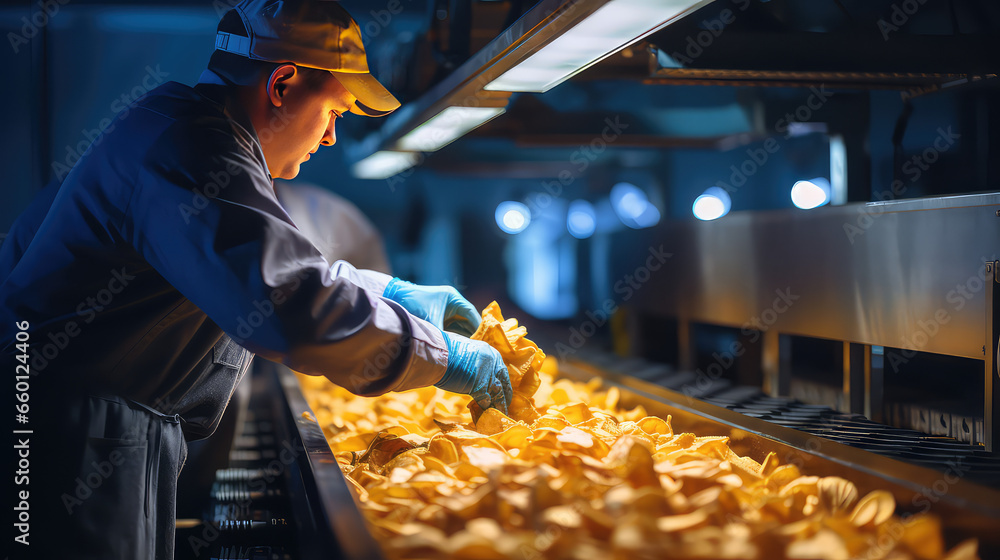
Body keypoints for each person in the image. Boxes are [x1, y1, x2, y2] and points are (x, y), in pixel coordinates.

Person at [0, 1, 511, 558]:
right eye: (335, 111)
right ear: (283, 83)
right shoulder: (190, 149)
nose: (332, 137)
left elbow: (275, 267)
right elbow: (288, 306)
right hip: (65, 435)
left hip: (87, 418)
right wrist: (440, 356)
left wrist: (389, 294)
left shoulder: (194, 134)